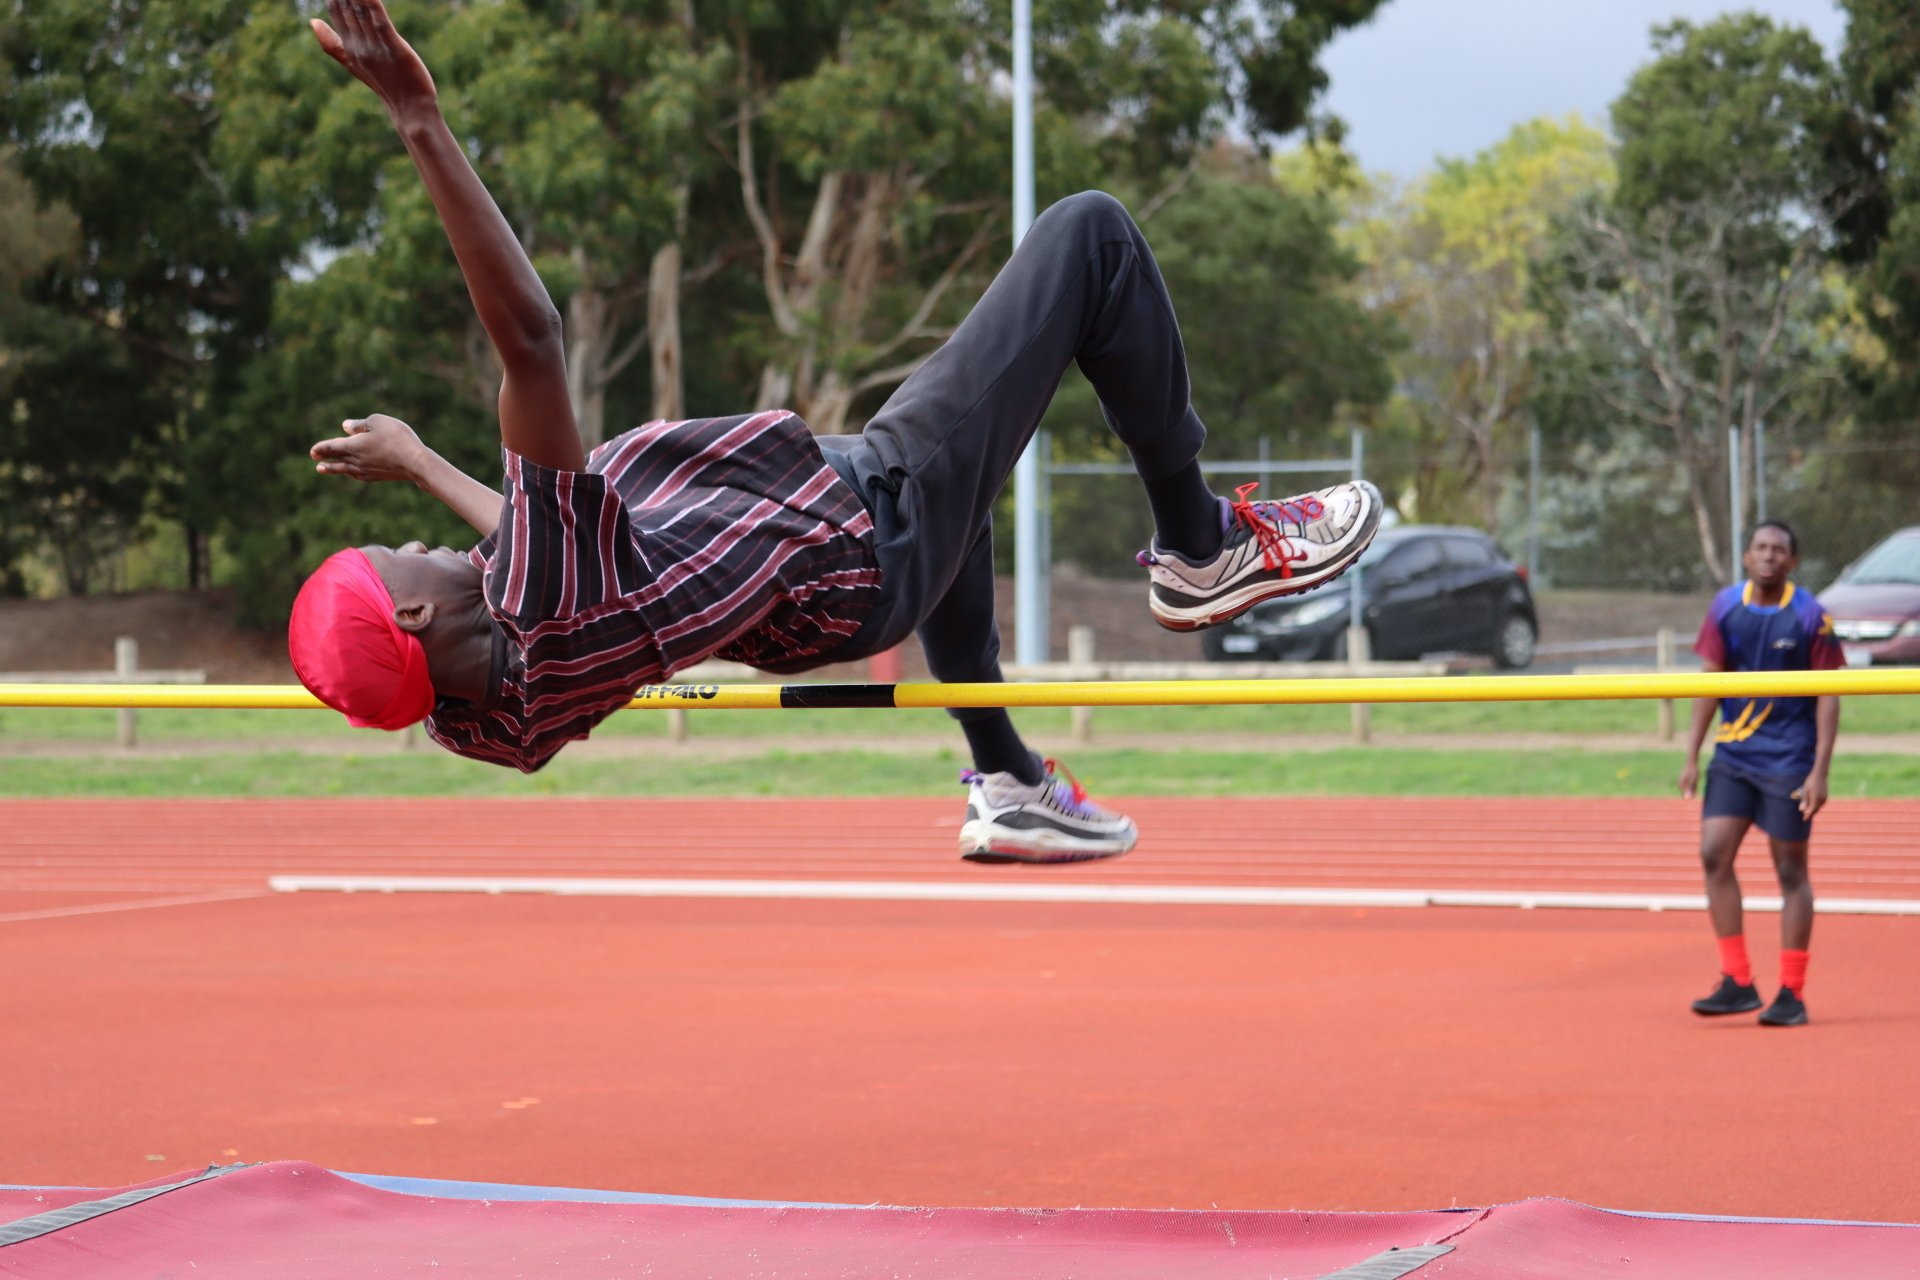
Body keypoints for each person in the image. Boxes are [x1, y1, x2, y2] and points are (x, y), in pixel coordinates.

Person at [288, 0, 1383, 865]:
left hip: (831, 580)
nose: (430, 543)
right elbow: (531, 338)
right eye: (405, 558)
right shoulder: (540, 589)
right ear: (419, 609)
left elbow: (517, 555)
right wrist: (418, 119)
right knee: (1088, 236)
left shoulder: (495, 713)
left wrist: (427, 463)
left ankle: (1004, 779)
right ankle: (1201, 547)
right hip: (868, 521)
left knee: (981, 468)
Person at [1680, 521, 1842, 1027]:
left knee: (1790, 871)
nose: (1769, 556)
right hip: (1734, 755)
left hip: (1789, 758)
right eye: (1760, 548)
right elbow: (1711, 681)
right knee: (1713, 854)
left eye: (1779, 550)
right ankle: (1738, 982)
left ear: (1792, 562)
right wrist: (1691, 752)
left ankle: (1792, 992)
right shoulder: (1726, 606)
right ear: (1746, 557)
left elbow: (1830, 694)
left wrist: (1820, 770)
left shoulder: (1811, 615)